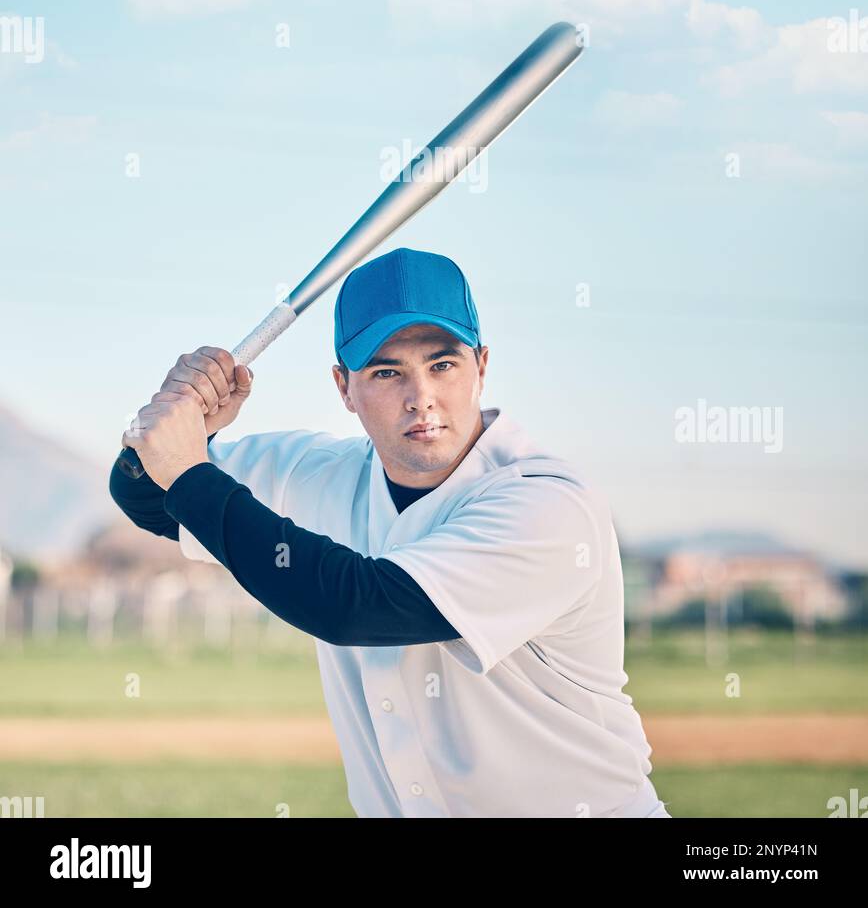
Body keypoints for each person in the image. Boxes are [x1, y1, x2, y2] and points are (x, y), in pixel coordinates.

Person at [110, 246, 671, 819]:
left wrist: (186, 466)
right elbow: (147, 494)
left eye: (443, 364)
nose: (420, 395)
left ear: (482, 366)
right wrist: (170, 420)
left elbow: (362, 605)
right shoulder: (318, 471)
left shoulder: (547, 502)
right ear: (343, 388)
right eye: (386, 371)